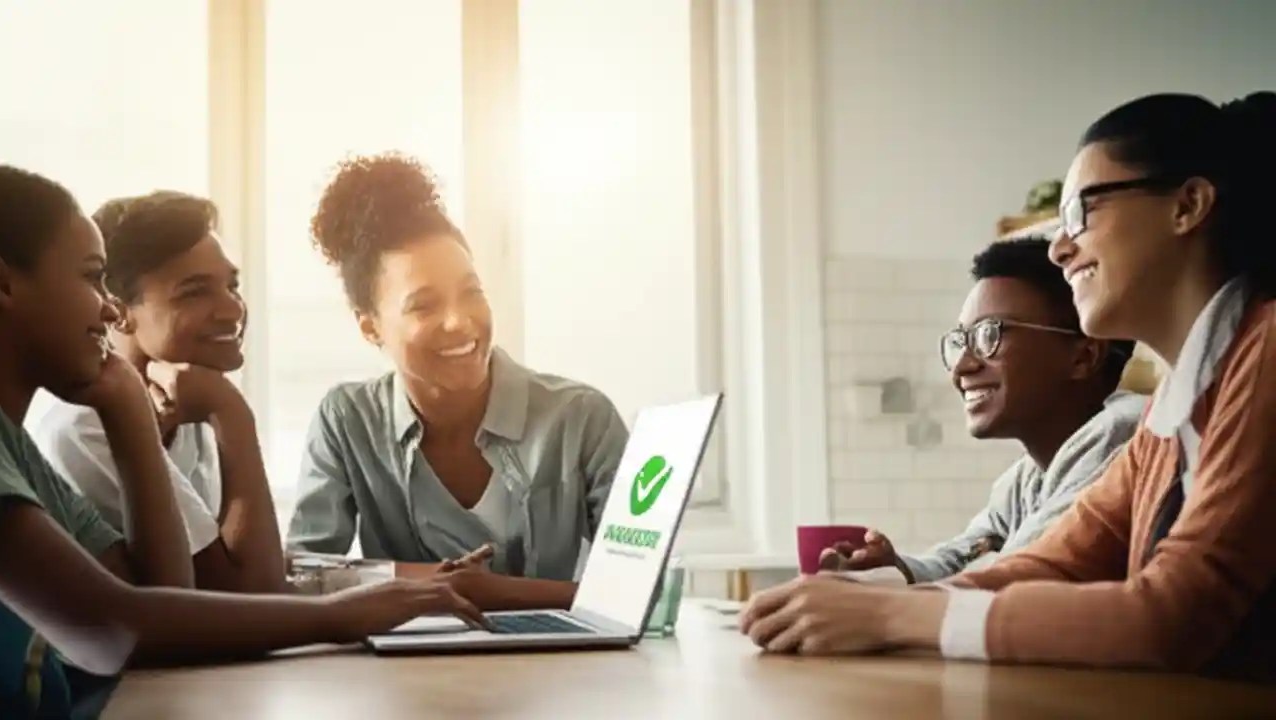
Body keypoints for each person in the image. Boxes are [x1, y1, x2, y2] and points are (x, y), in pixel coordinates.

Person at [738, 92, 1276, 683]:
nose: (1059, 246)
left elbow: (1175, 613)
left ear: (1188, 205)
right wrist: (868, 604)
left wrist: (891, 614)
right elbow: (1054, 562)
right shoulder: (1166, 414)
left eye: (1080, 214)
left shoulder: (1267, 345)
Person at [0, 165, 483, 716]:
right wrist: (342, 613)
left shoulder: (16, 450)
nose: (106, 308)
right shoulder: (54, 440)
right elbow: (117, 629)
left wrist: (128, 404)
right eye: (90, 278)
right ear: (3, 284)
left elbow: (164, 596)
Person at [286, 153, 628, 610]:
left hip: (558, 667)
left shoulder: (583, 419)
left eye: (472, 293)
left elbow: (647, 594)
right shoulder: (347, 420)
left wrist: (497, 593)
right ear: (370, 327)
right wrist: (431, 581)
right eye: (423, 306)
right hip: (406, 674)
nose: (459, 322)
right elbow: (302, 574)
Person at [821, 238, 1142, 583]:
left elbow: (1014, 578)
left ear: (1084, 356)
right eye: (961, 341)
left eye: (990, 335)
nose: (961, 366)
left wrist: (874, 603)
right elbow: (958, 557)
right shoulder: (1026, 479)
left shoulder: (1122, 434)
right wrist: (896, 568)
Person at [29, 191, 287, 593]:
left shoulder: (185, 401)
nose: (233, 309)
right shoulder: (86, 430)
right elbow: (248, 589)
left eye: (231, 286)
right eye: (195, 291)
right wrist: (233, 414)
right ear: (119, 311)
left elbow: (252, 567)